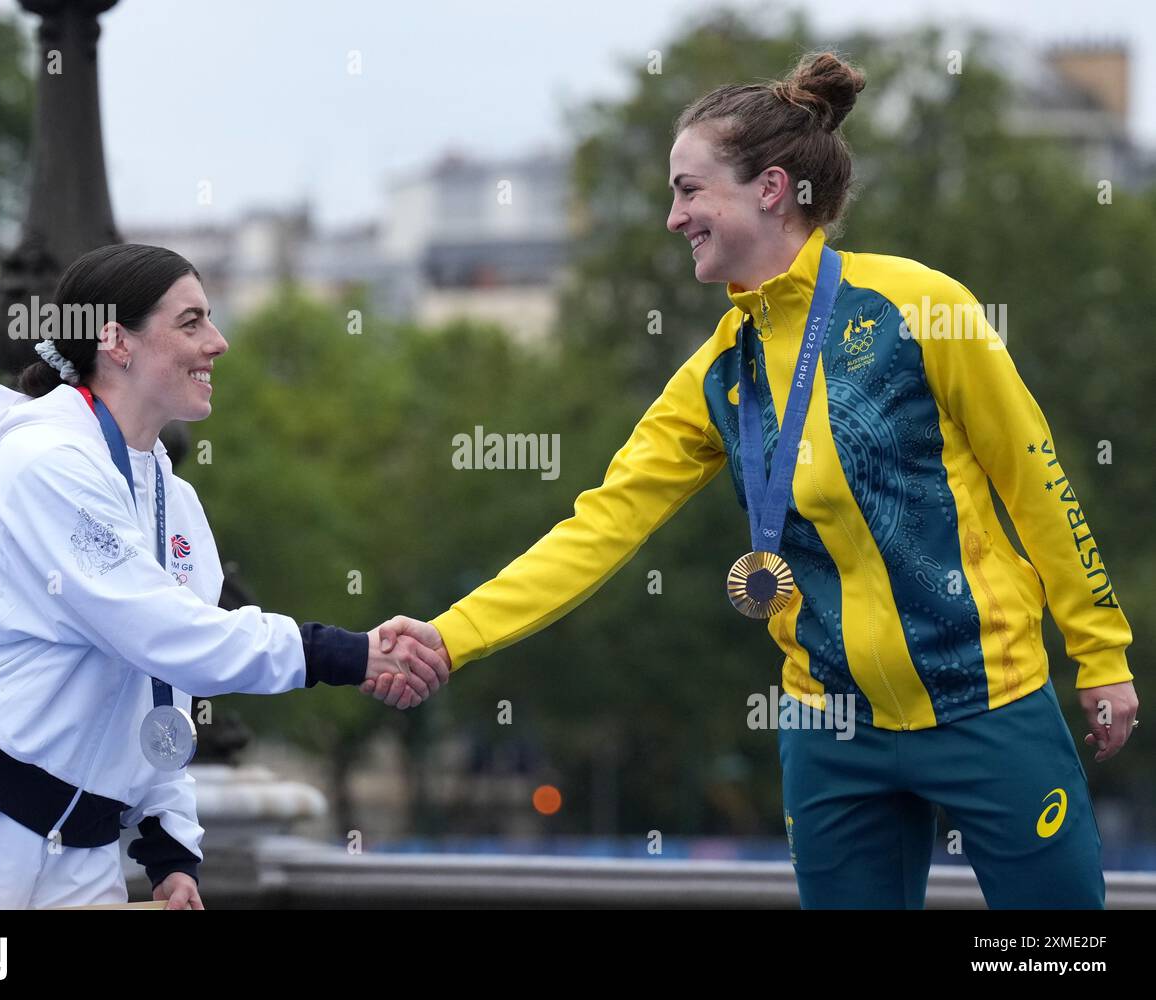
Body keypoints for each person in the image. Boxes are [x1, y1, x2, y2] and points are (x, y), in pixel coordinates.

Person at [371, 52, 1138, 909]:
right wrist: (452, 634)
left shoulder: (919, 306)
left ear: (771, 189)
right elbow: (601, 527)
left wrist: (1100, 653)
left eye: (690, 191)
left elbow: (1035, 479)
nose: (672, 217)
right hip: (827, 727)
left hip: (986, 700)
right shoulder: (716, 376)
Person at [0, 243, 447, 910]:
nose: (218, 343)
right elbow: (167, 635)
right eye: (190, 323)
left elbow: (155, 680)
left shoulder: (170, 494)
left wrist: (168, 841)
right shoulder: (45, 463)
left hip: (78, 854)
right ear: (115, 339)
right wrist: (347, 653)